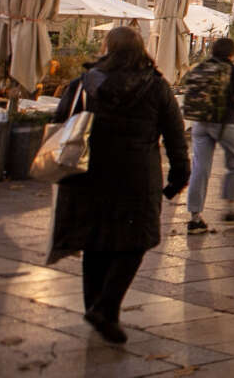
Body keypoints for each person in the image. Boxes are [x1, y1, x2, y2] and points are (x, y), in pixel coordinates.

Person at [49, 26, 189, 345]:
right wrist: (179, 174)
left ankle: (98, 308)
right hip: (136, 175)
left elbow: (61, 122)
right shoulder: (156, 86)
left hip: (88, 174)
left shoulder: (85, 83)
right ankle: (106, 307)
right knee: (135, 242)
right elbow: (175, 135)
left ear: (107, 47)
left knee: (95, 241)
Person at [185, 38, 234, 235]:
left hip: (200, 123)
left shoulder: (199, 67)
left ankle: (194, 217)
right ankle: (230, 209)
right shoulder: (233, 70)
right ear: (232, 53)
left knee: (200, 167)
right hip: (224, 123)